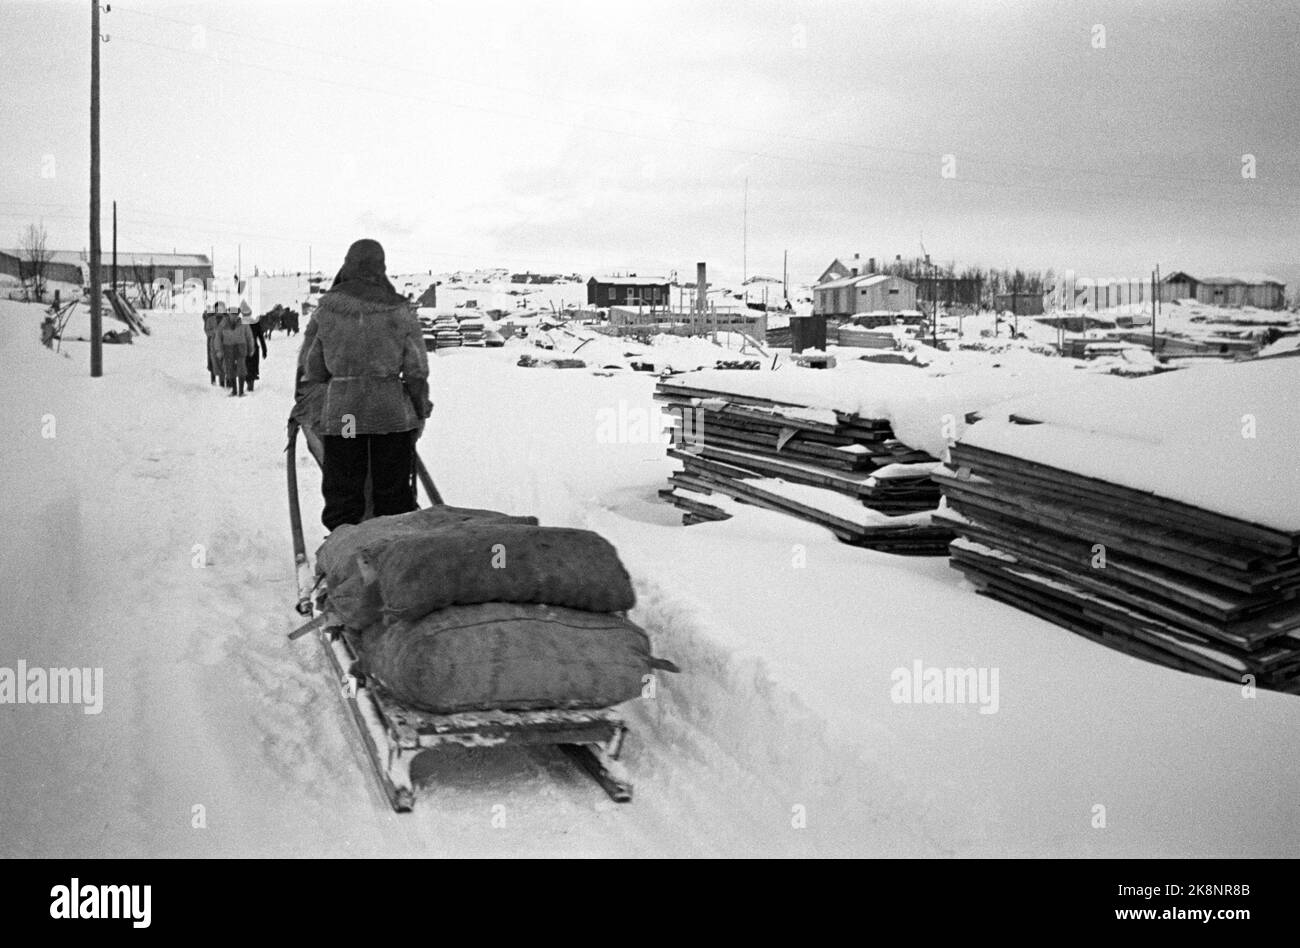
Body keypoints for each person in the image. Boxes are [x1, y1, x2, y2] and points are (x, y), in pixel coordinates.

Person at [300, 239, 431, 531]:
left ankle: (342, 551)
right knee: (394, 495)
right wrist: (420, 410)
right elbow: (416, 370)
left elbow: (313, 369)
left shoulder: (327, 311)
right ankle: (396, 553)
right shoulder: (399, 310)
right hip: (391, 415)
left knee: (345, 491)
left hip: (345, 415)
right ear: (381, 267)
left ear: (348, 264)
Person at [218, 305, 254, 396]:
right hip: (228, 348)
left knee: (241, 368)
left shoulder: (244, 323)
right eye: (232, 314)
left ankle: (241, 391)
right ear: (228, 314)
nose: (234, 316)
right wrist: (219, 350)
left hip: (241, 347)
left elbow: (249, 336)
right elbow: (218, 338)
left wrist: (251, 348)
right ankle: (234, 390)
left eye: (236, 314)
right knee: (230, 369)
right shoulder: (223, 324)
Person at [244, 308, 269, 391]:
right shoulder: (251, 323)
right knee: (250, 367)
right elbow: (261, 337)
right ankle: (250, 383)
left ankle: (250, 383)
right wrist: (264, 350)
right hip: (249, 348)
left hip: (249, 348)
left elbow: (261, 337)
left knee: (250, 367)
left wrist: (264, 350)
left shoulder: (245, 323)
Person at [205, 303, 226, 386]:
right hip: (213, 344)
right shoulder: (210, 320)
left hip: (224, 344)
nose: (219, 311)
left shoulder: (226, 319)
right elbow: (207, 331)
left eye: (221, 309)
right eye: (218, 309)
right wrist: (214, 332)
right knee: (213, 362)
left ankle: (222, 383)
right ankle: (213, 382)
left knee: (223, 363)